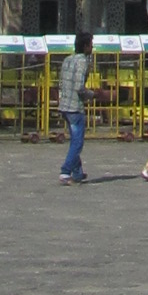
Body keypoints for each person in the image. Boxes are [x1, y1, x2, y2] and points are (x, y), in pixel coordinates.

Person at [57, 30, 94, 184]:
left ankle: (77, 173)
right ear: (86, 46)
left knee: (74, 140)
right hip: (74, 107)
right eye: (91, 45)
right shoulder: (83, 62)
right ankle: (65, 172)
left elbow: (61, 83)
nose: (92, 48)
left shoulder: (67, 60)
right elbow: (79, 87)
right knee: (78, 142)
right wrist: (91, 94)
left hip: (64, 105)